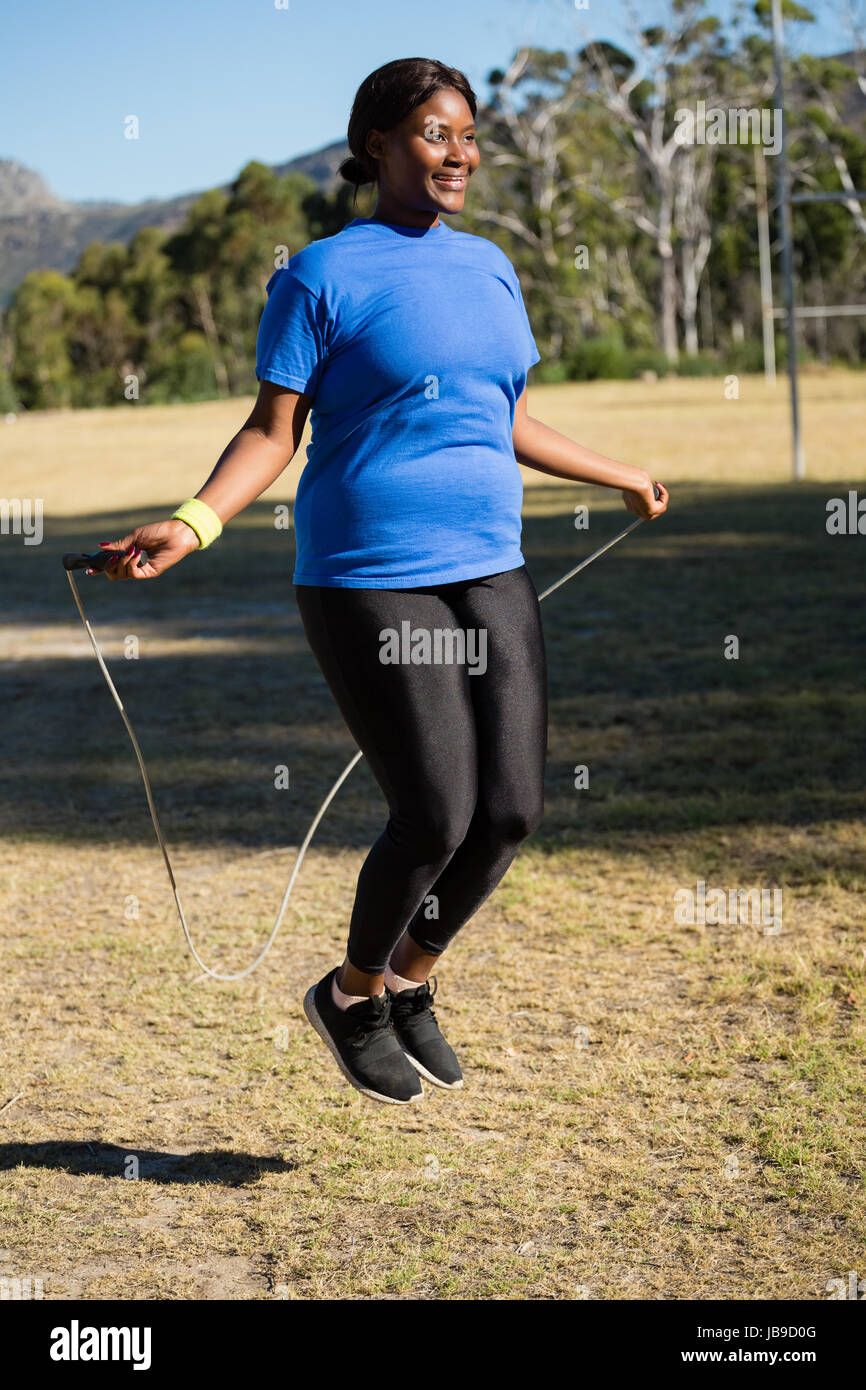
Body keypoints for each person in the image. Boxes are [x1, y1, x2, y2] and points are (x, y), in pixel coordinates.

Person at [93, 57, 669, 1106]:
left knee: (509, 812)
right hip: (369, 576)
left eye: (468, 134)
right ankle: (349, 994)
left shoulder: (489, 266)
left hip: (490, 566)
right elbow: (274, 430)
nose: (460, 154)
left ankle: (407, 980)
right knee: (436, 812)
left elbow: (508, 415)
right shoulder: (319, 275)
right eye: (435, 133)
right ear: (376, 145)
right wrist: (194, 521)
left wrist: (620, 472)